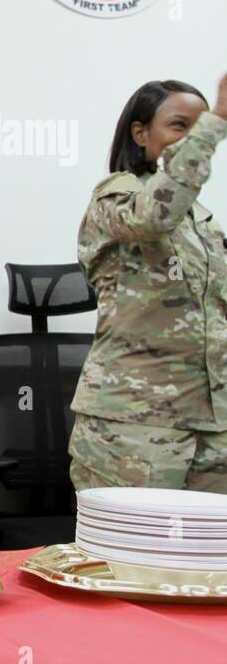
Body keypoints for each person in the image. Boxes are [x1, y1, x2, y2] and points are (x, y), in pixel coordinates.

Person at [70, 73, 227, 493]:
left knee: (207, 557)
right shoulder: (117, 198)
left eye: (199, 126)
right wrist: (215, 123)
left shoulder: (204, 224)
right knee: (133, 557)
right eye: (180, 126)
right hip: (135, 427)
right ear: (140, 133)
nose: (192, 136)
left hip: (212, 427)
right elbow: (153, 216)